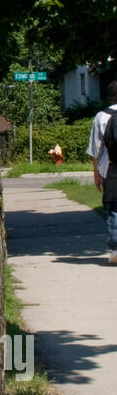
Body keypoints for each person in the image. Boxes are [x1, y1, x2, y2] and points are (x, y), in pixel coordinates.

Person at [86, 80, 117, 265]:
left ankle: (116, 248)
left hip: (110, 168)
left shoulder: (101, 117)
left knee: (114, 207)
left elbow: (95, 149)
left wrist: (96, 172)